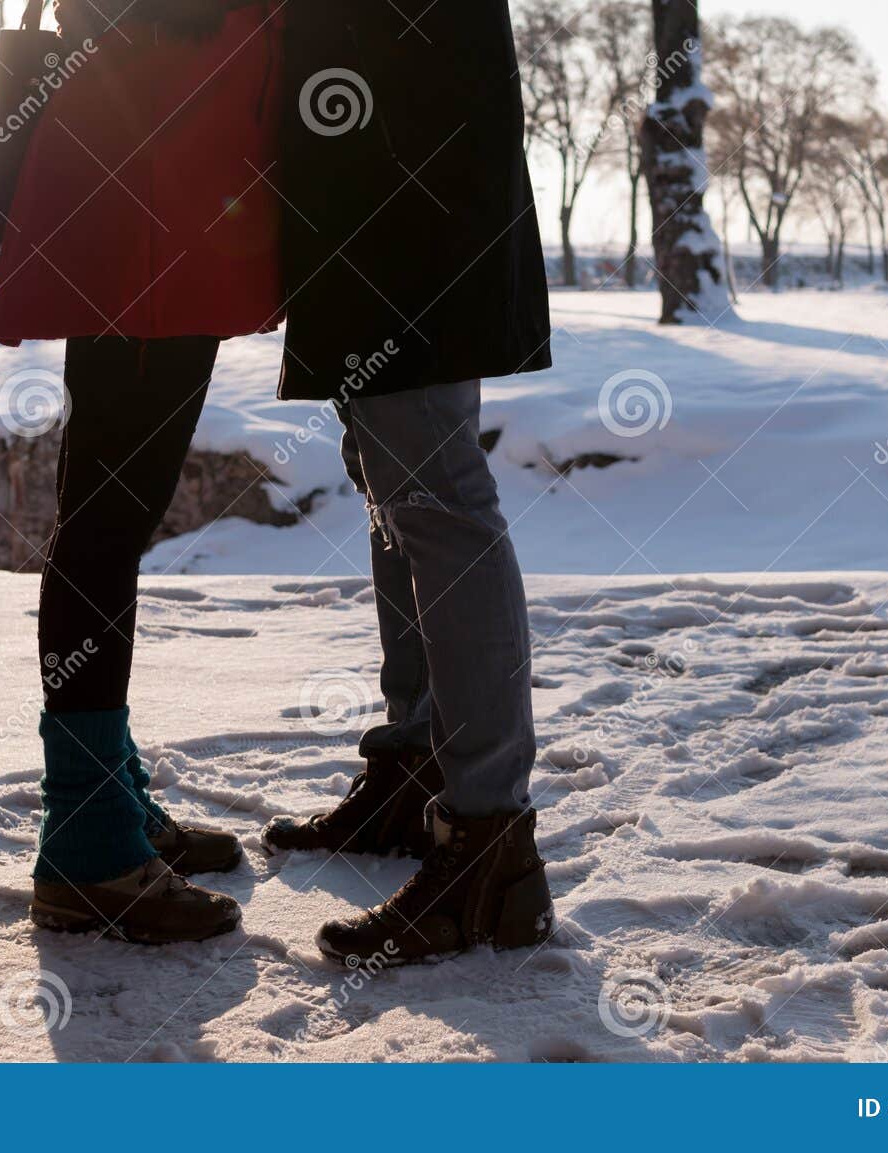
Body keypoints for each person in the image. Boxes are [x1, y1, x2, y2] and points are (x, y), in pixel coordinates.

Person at [258, 1, 556, 965]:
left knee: (435, 494)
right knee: (395, 477)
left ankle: (487, 839)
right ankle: (422, 763)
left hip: (409, 174)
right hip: (374, 168)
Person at [0, 0, 283, 944]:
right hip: (158, 189)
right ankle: (89, 847)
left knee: (104, 520)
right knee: (106, 529)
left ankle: (102, 799)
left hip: (155, 182)